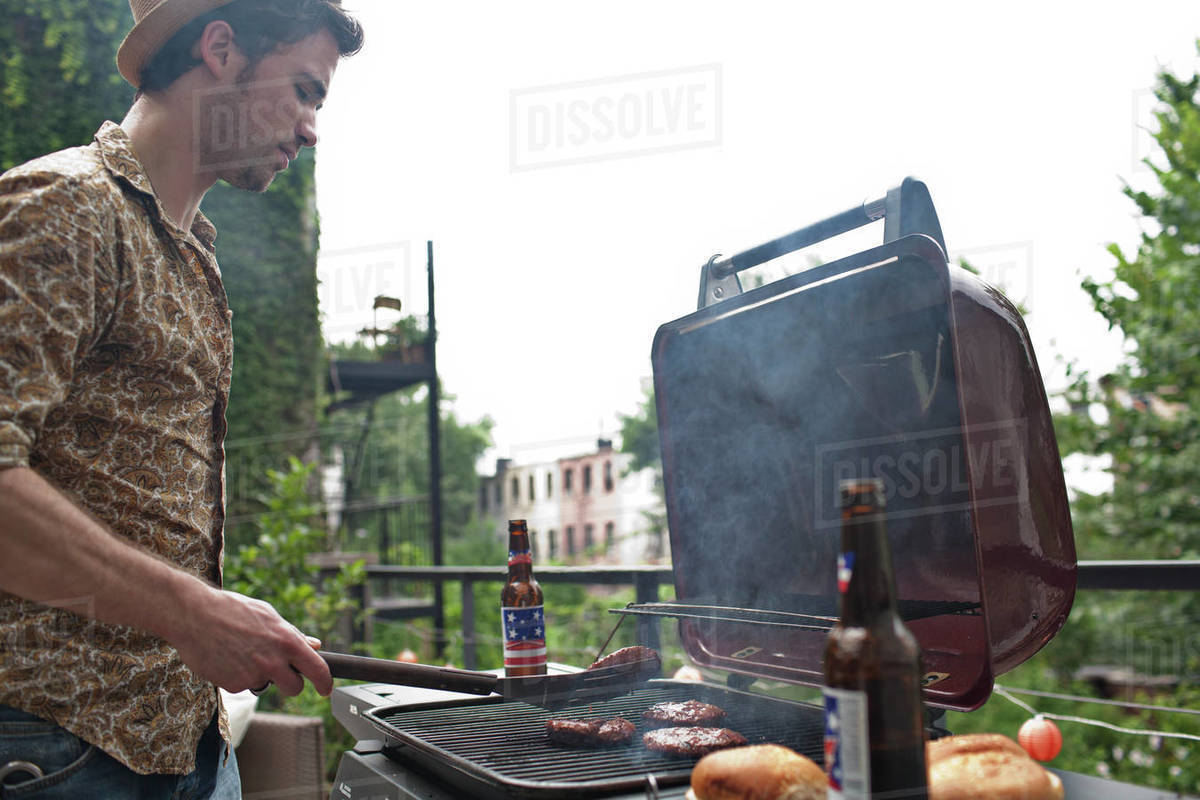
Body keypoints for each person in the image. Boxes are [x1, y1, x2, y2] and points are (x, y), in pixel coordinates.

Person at [0, 1, 363, 796]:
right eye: (304, 90)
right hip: (56, 749)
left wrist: (211, 615)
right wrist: (192, 613)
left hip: (188, 743)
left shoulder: (195, 255)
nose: (310, 128)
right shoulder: (65, 206)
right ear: (222, 48)